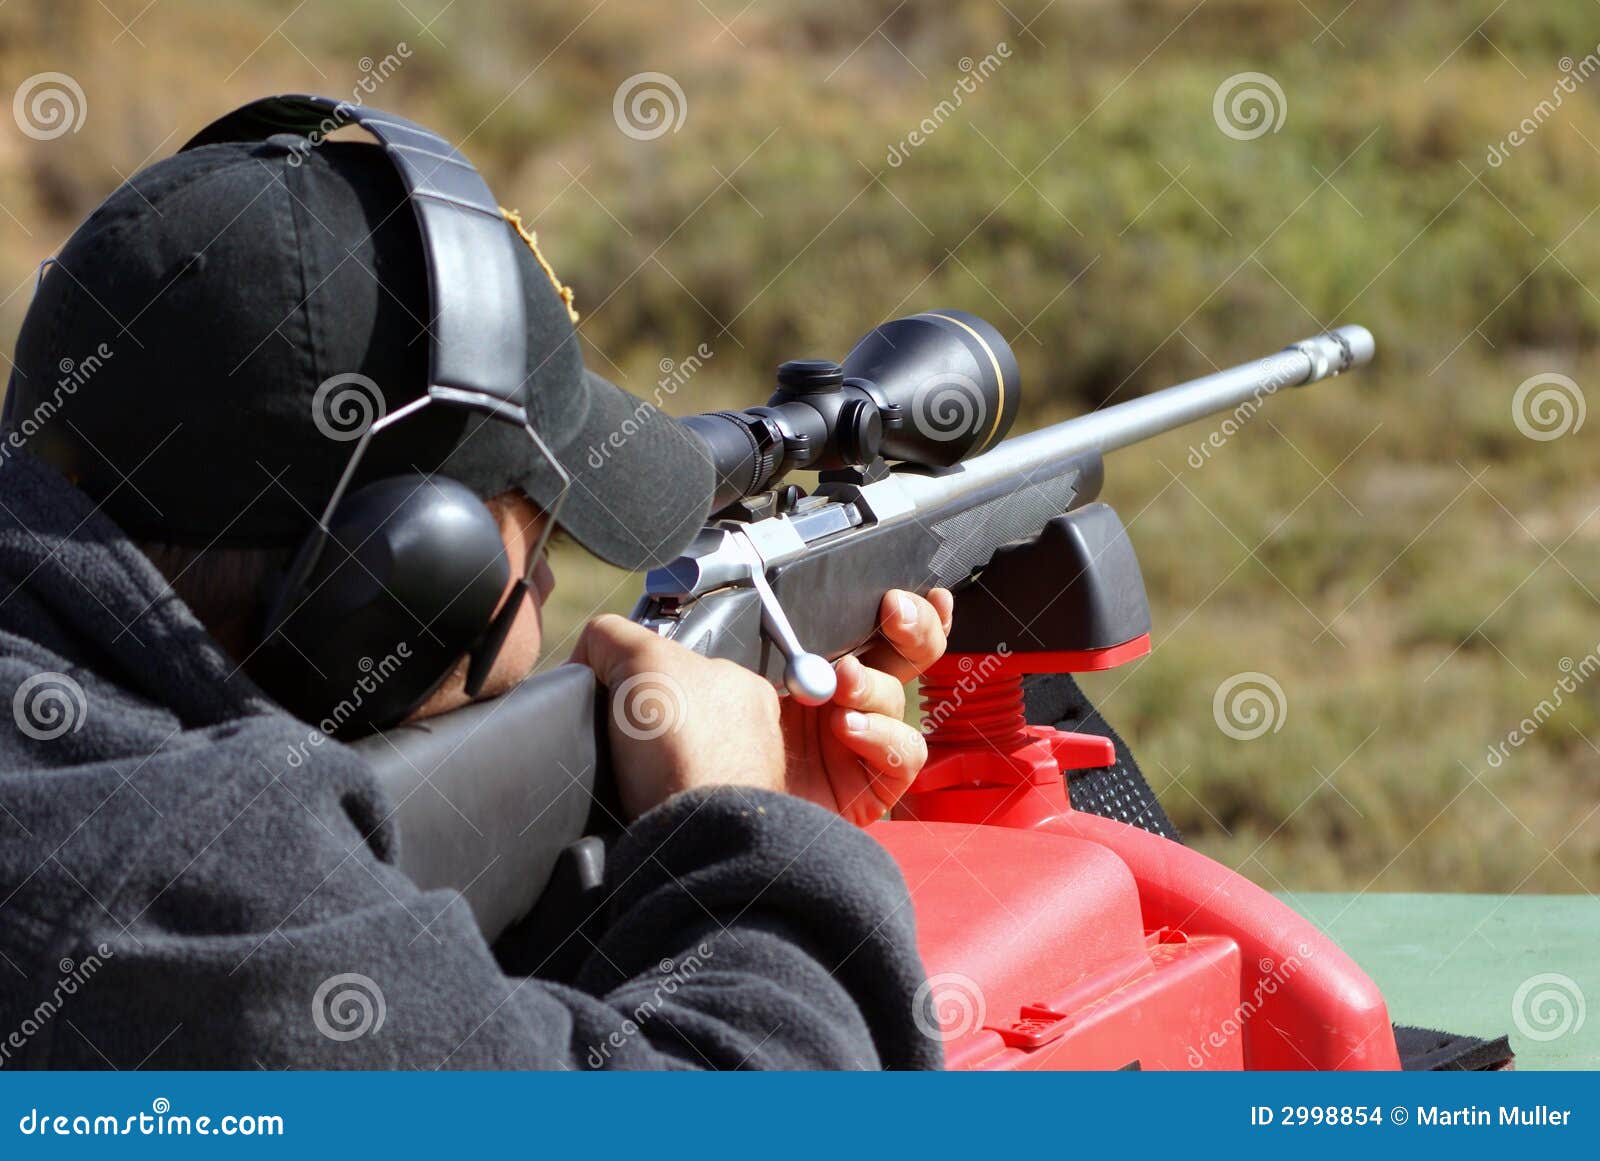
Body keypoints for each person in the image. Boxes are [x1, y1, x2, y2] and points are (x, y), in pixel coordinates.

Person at [0, 115, 952, 1069]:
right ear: (385, 590)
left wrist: (646, 864)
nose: (549, 593)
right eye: (540, 549)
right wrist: (753, 844)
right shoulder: (170, 874)